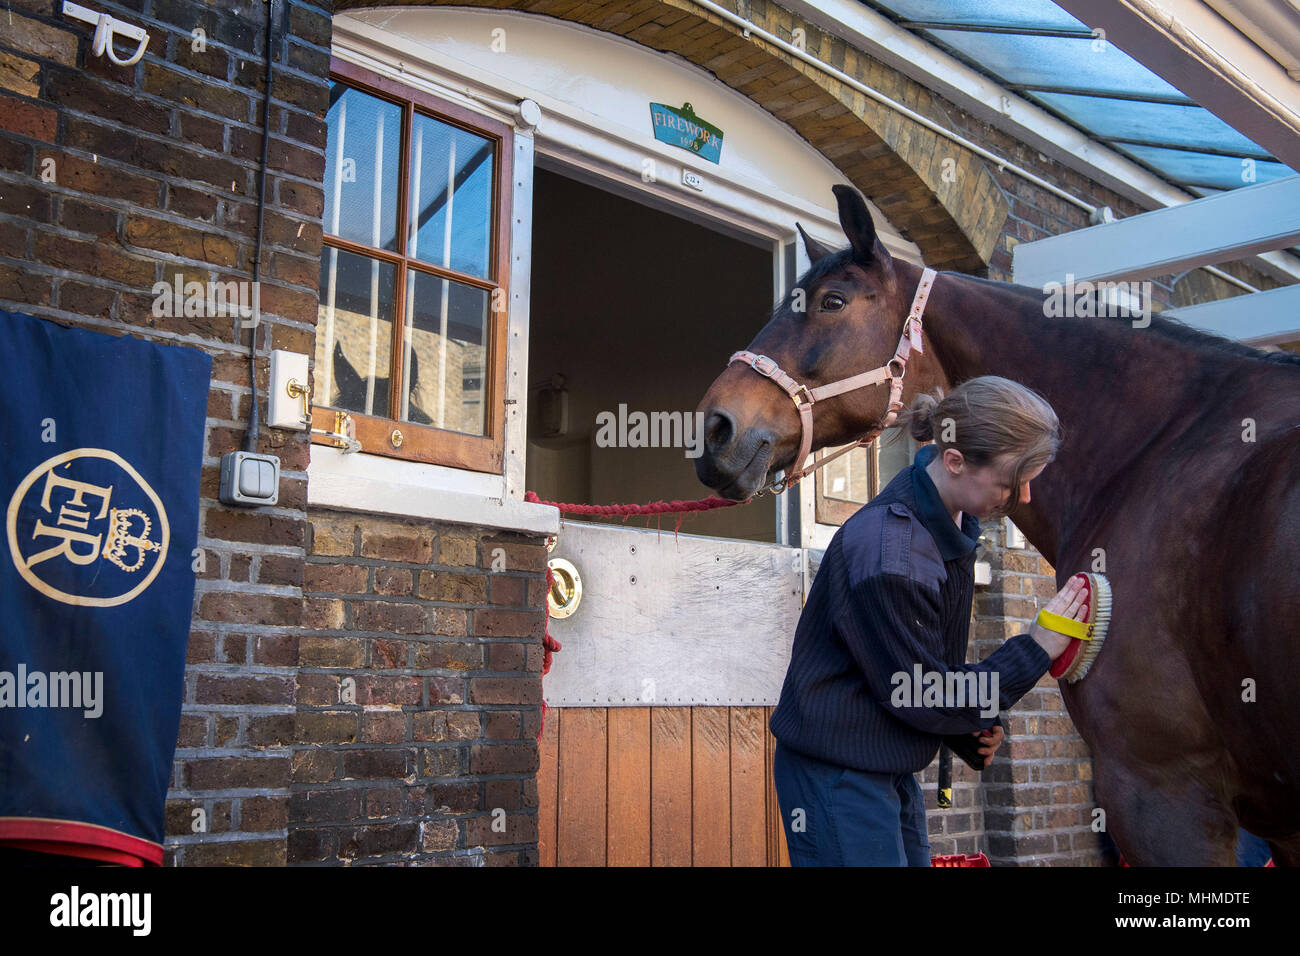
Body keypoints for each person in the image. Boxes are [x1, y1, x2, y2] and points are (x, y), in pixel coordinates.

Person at [770, 375, 1087, 866]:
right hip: (839, 775)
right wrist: (1036, 648)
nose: (1023, 497)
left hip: (883, 765)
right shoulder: (890, 549)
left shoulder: (948, 523)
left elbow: (899, 667)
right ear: (956, 461)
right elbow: (919, 688)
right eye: (1010, 481)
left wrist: (960, 731)